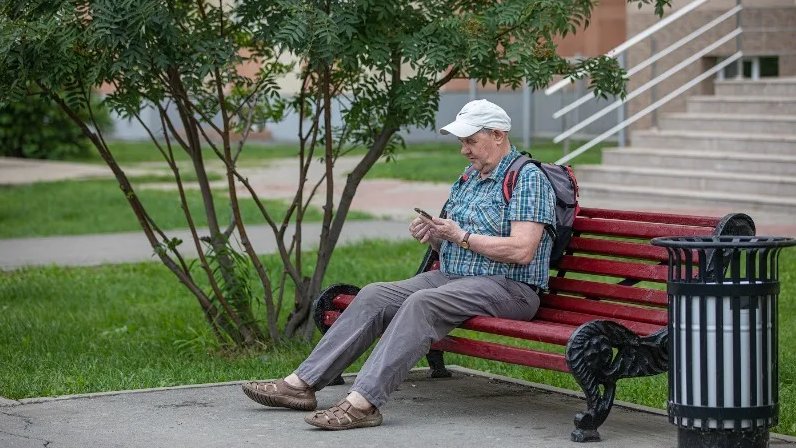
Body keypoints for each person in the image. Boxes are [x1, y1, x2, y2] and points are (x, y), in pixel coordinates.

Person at [241, 99, 556, 430]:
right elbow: (454, 234)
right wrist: (435, 233)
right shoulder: (470, 176)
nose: (464, 150)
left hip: (509, 287)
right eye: (461, 142)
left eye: (470, 141)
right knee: (376, 294)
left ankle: (363, 404)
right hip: (455, 277)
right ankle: (299, 385)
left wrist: (461, 236)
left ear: (497, 134)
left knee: (422, 303)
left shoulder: (527, 178)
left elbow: (522, 250)